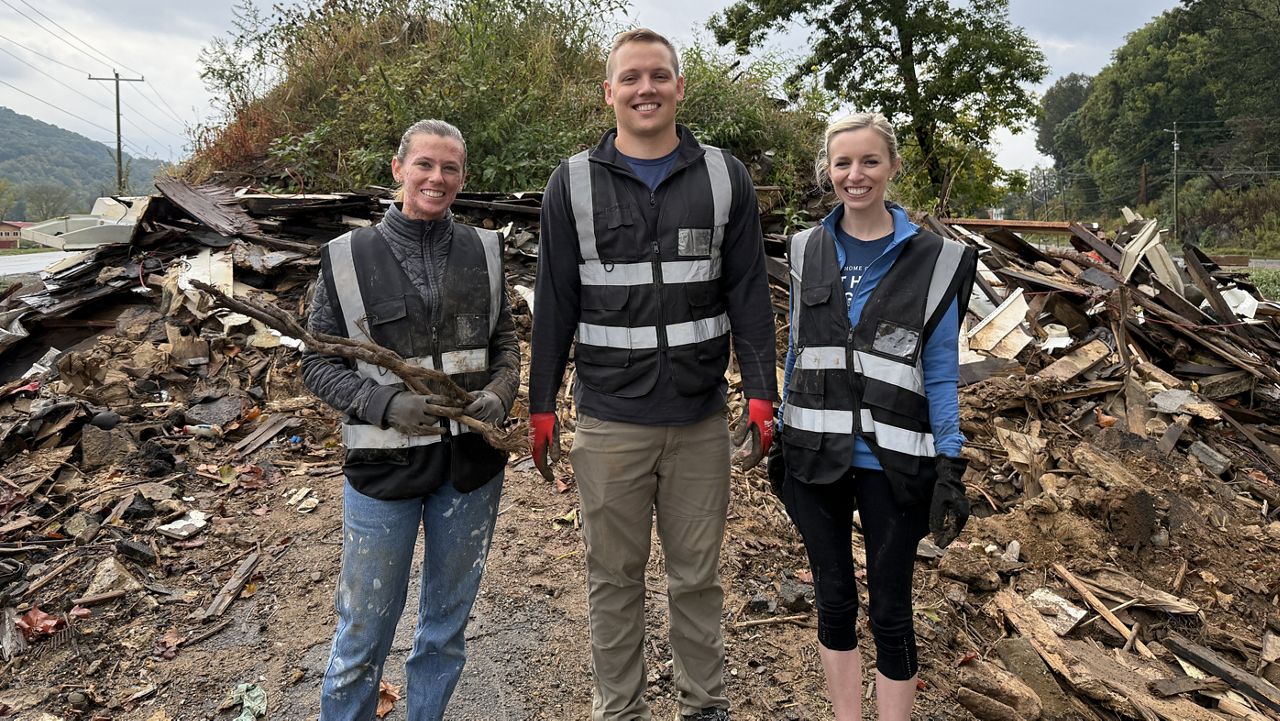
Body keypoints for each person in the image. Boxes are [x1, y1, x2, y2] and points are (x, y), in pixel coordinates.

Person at [528, 28, 777, 721]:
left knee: (697, 577)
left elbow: (749, 294)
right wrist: (541, 402)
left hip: (699, 419)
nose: (646, 89)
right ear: (609, 92)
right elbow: (555, 300)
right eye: (631, 78)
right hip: (610, 419)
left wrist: (762, 392)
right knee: (613, 579)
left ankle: (704, 706)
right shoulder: (573, 183)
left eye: (659, 76)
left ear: (679, 87)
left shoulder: (724, 177)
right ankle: (622, 710)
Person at [300, 118, 520, 721]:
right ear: (399, 169)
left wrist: (501, 391)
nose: (436, 178)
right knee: (362, 632)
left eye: (450, 168)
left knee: (445, 630)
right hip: (383, 469)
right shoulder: (347, 258)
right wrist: (384, 405)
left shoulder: (485, 251)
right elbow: (316, 364)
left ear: (462, 178)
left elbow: (505, 343)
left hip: (470, 470)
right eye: (424, 164)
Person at [773, 112, 977, 721]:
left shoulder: (937, 259)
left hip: (896, 463)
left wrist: (951, 460)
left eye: (869, 161)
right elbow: (798, 348)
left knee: (891, 610)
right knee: (834, 602)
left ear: (892, 166)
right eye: (843, 163)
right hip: (814, 455)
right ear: (828, 170)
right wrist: (781, 429)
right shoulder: (806, 247)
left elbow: (940, 370)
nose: (855, 175)